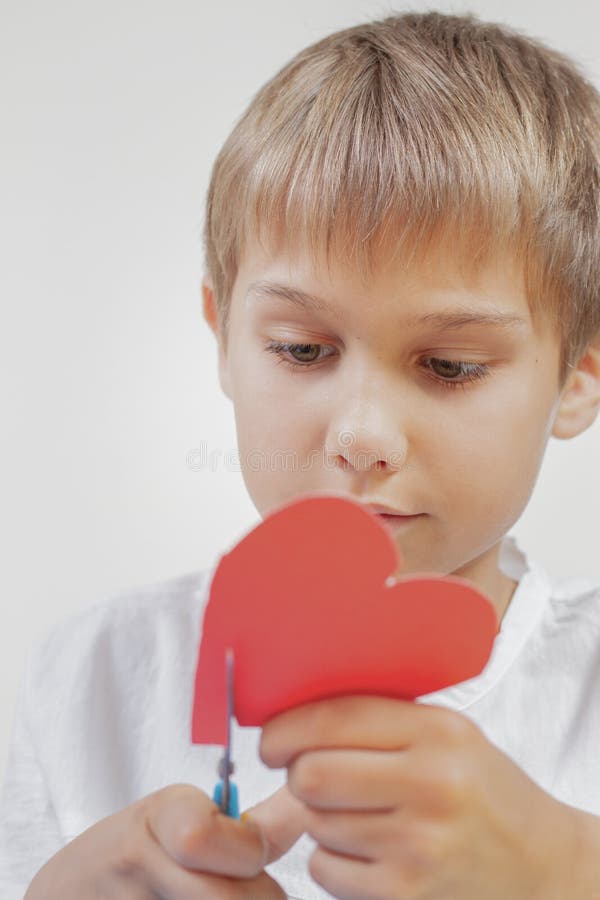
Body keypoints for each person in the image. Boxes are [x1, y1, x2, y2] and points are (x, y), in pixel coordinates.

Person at [2, 9, 600, 899]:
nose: (361, 436)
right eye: (302, 351)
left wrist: (564, 869)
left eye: (450, 366)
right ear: (223, 341)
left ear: (577, 380)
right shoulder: (83, 683)